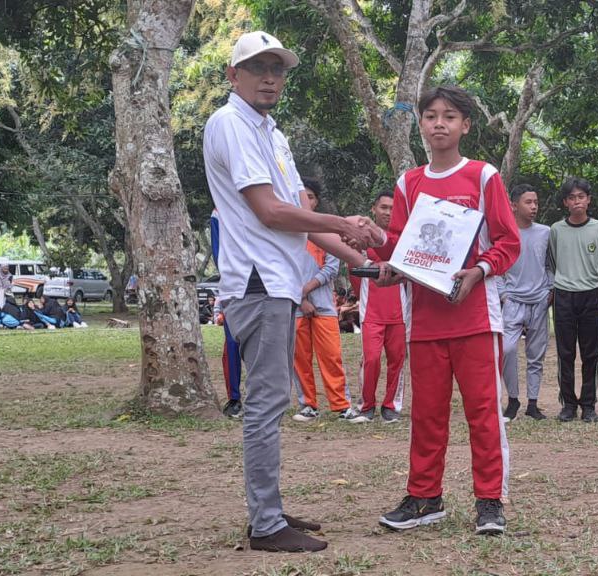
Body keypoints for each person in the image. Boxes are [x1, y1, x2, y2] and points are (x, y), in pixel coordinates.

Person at [202, 30, 383, 553]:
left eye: (277, 68)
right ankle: (265, 525)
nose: (269, 78)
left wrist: (366, 264)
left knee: (273, 399)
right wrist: (345, 223)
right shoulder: (230, 123)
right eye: (258, 67)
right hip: (258, 280)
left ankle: (271, 510)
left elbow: (299, 219)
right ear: (233, 75)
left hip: (278, 280)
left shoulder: (272, 133)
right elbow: (270, 212)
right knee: (266, 402)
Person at [371, 85, 519, 536]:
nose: (439, 123)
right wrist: (381, 255)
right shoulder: (408, 183)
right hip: (425, 321)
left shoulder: (482, 176)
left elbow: (508, 242)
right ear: (420, 123)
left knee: (483, 412)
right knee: (427, 415)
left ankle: (489, 502)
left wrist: (478, 271)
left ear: (465, 125)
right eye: (431, 115)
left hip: (476, 319)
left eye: (449, 116)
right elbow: (400, 247)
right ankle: (424, 498)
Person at [292, 177, 362, 423]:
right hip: (296, 307)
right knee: (300, 358)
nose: (305, 201)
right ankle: (307, 405)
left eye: (310, 197)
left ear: (316, 201)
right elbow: (283, 268)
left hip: (323, 305)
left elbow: (332, 268)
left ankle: (341, 405)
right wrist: (300, 299)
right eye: (302, 196)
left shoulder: (326, 230)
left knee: (331, 356)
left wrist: (306, 290)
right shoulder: (287, 231)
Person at [548, 177, 598, 423]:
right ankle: (568, 405)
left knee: (591, 353)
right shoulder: (556, 230)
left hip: (590, 294)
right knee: (565, 352)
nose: (577, 201)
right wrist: (566, 280)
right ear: (565, 202)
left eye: (581, 197)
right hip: (564, 294)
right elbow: (552, 262)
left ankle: (588, 405)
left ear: (589, 200)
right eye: (571, 198)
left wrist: (593, 280)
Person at [352, 190, 407, 424]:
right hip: (371, 311)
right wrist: (360, 299)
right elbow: (354, 272)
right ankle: (366, 406)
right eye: (383, 207)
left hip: (400, 311)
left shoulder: (404, 239)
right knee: (372, 359)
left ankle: (391, 406)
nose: (388, 212)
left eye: (392, 208)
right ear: (373, 209)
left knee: (397, 360)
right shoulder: (363, 239)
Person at [500, 183, 553, 422]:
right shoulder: (504, 234)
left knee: (536, 354)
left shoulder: (545, 232)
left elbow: (550, 263)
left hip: (539, 300)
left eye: (536, 202)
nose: (534, 207)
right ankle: (513, 399)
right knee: (507, 349)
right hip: (513, 301)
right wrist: (503, 295)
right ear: (513, 205)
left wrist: (550, 289)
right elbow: (496, 268)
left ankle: (533, 403)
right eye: (528, 202)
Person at [210, 208, 243, 419]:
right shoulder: (219, 212)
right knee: (232, 344)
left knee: (263, 345)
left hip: (265, 285)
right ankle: (234, 399)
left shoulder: (264, 202)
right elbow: (218, 253)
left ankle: (264, 396)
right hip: (234, 288)